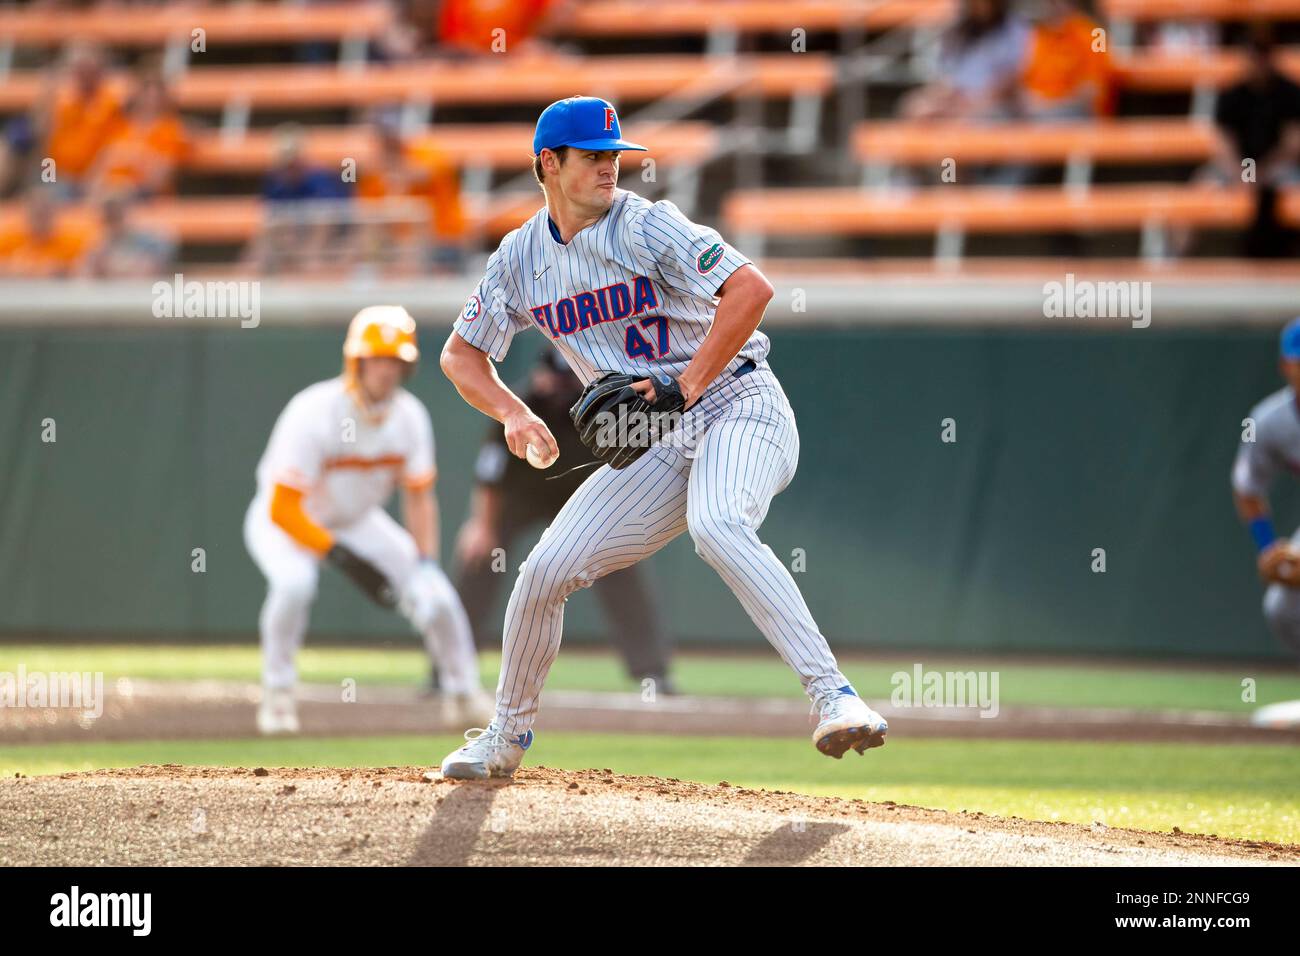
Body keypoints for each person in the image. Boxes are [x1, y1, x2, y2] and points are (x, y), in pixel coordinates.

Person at [436, 96, 887, 780]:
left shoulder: (647, 226)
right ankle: (506, 736)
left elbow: (750, 290)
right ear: (547, 165)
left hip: (740, 402)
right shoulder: (519, 258)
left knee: (718, 524)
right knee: (542, 573)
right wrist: (514, 415)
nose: (609, 169)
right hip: (658, 440)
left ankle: (836, 698)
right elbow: (461, 357)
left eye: (614, 157)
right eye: (592, 158)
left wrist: (688, 384)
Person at [243, 306, 490, 734]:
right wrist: (340, 558)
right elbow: (283, 508)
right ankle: (278, 695)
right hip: (285, 523)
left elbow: (418, 498)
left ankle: (464, 694)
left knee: (437, 597)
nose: (387, 370)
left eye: (396, 361)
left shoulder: (409, 416)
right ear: (356, 361)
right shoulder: (314, 411)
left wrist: (424, 561)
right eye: (378, 358)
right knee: (294, 586)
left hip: (357, 520)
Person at [453, 348, 676, 691]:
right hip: (522, 498)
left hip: (582, 501)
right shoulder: (521, 406)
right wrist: (482, 526)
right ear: (540, 376)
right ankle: (451, 670)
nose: (559, 388)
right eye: (554, 378)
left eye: (567, 379)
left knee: (621, 568)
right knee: (481, 558)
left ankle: (653, 673)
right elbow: (490, 475)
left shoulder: (603, 406)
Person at [1231, 316, 1300, 729]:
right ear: (1284, 365)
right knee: (1283, 604)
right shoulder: (1270, 421)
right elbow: (1248, 488)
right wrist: (1268, 548)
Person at [900, 0, 1031, 122]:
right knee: (917, 107)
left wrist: (973, 103)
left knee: (969, 120)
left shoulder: (1015, 29)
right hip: (958, 98)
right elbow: (949, 77)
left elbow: (1012, 81)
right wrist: (945, 99)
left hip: (994, 104)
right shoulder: (958, 31)